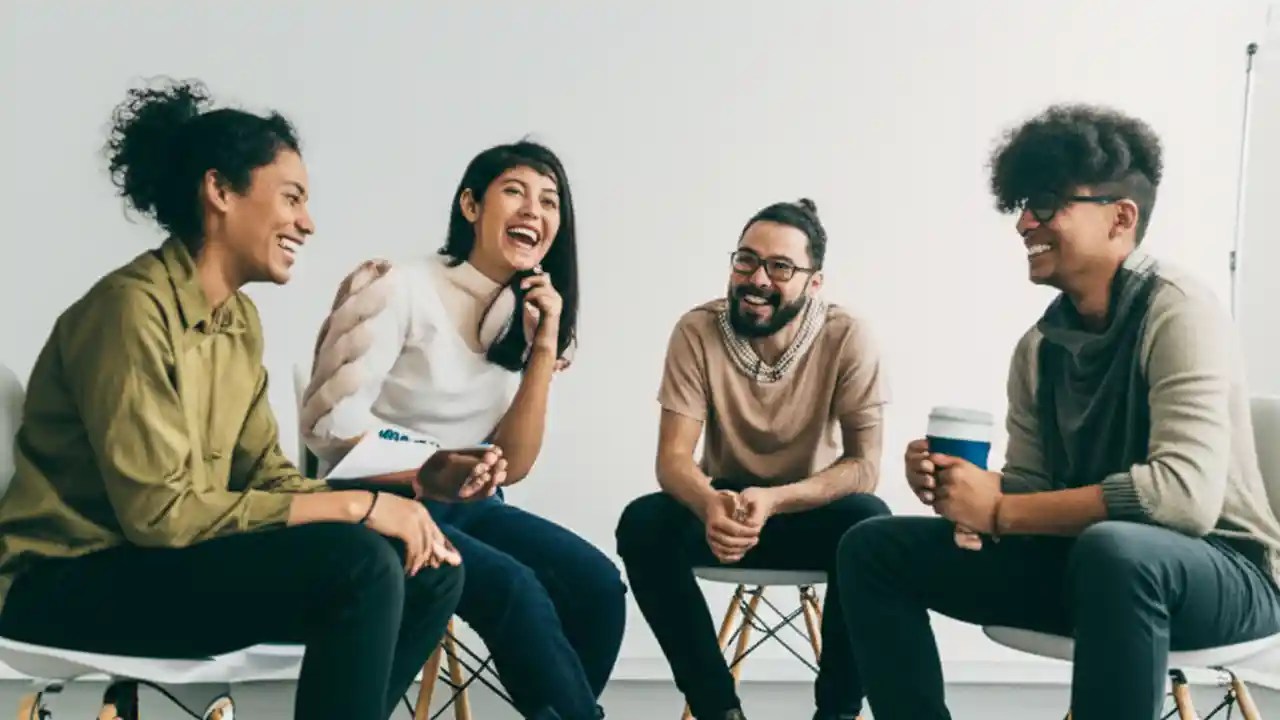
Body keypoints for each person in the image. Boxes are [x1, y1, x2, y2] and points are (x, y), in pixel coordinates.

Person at [0, 78, 492, 720]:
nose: (307, 222)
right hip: (70, 581)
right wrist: (361, 507)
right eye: (292, 197)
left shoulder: (237, 324)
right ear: (221, 191)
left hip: (162, 568)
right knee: (363, 562)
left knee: (431, 565)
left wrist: (405, 494)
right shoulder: (130, 312)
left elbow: (266, 477)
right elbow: (162, 516)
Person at [838, 104, 1280, 720]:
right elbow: (1033, 493)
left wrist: (1001, 507)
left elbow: (1185, 497)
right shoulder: (1040, 348)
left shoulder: (1180, 313)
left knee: (1117, 551)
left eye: (1046, 202)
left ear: (1120, 218)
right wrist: (968, 490)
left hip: (1224, 570)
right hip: (1093, 566)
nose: (1024, 222)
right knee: (872, 547)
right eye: (1022, 204)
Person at [301, 140, 626, 720]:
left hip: (467, 504)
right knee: (516, 588)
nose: (535, 211)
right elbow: (329, 424)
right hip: (378, 498)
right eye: (515, 192)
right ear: (472, 206)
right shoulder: (396, 286)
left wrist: (544, 347)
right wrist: (433, 463)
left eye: (550, 201)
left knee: (597, 587)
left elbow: (515, 464)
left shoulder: (529, 318)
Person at [614, 198, 891, 720]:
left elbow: (864, 466)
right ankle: (717, 708)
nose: (757, 278)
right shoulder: (697, 330)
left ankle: (836, 713)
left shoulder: (848, 335)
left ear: (814, 281)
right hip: (724, 507)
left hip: (810, 509)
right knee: (643, 523)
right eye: (746, 260)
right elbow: (673, 458)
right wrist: (707, 501)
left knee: (871, 524)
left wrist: (777, 499)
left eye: (780, 266)